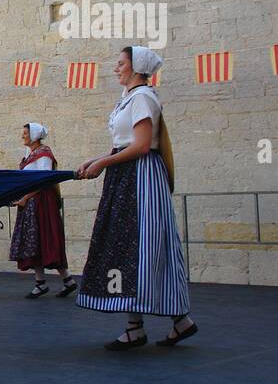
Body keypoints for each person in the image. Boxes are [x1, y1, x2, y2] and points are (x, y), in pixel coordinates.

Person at [75, 46, 196, 349]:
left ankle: (157, 323)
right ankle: (155, 324)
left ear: (137, 67)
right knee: (130, 246)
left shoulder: (141, 97)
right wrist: (97, 160)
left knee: (141, 246)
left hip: (140, 178)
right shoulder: (131, 98)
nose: (115, 68)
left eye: (120, 64)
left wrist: (103, 163)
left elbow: (142, 146)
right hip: (128, 175)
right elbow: (124, 145)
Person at [10, 122, 76, 298]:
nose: (22, 136)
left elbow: (44, 181)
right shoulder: (30, 155)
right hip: (30, 204)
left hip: (41, 203)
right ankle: (47, 282)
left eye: (25, 133)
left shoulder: (44, 155)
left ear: (34, 136)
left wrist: (25, 198)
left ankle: (65, 280)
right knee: (34, 242)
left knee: (46, 239)